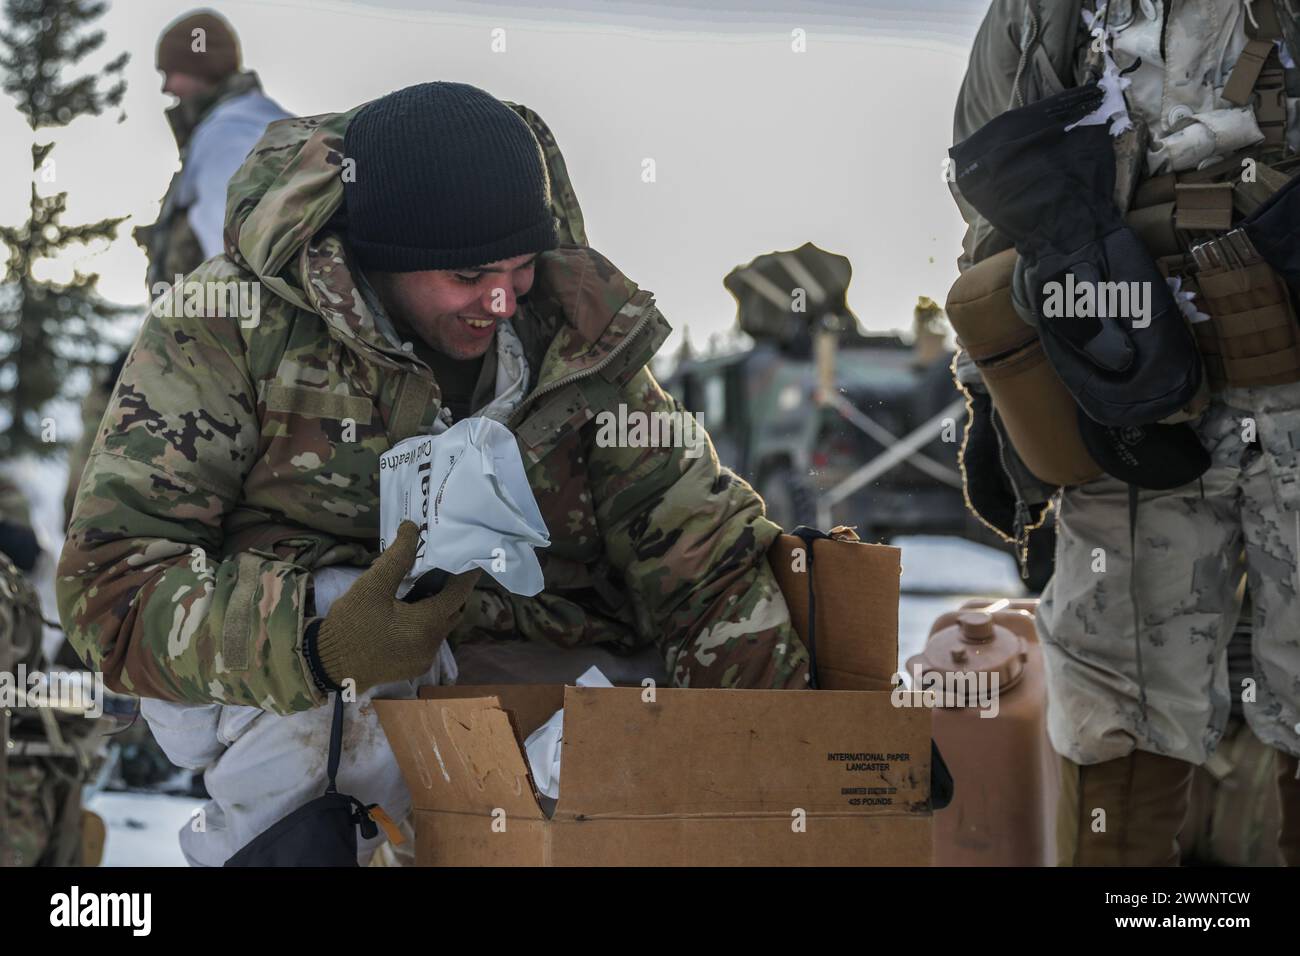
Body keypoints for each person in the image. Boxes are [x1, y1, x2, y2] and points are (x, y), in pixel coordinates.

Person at [57, 81, 810, 865]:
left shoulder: (571, 334)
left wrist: (805, 751)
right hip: (288, 691)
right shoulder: (224, 328)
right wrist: (316, 645)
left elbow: (701, 550)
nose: (501, 301)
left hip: (532, 676)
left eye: (519, 269)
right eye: (470, 275)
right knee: (343, 717)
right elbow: (109, 587)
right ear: (380, 263)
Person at [949, 0, 1300, 865]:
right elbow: (1001, 191)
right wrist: (992, 392)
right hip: (1130, 394)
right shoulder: (1047, 11)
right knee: (1118, 700)